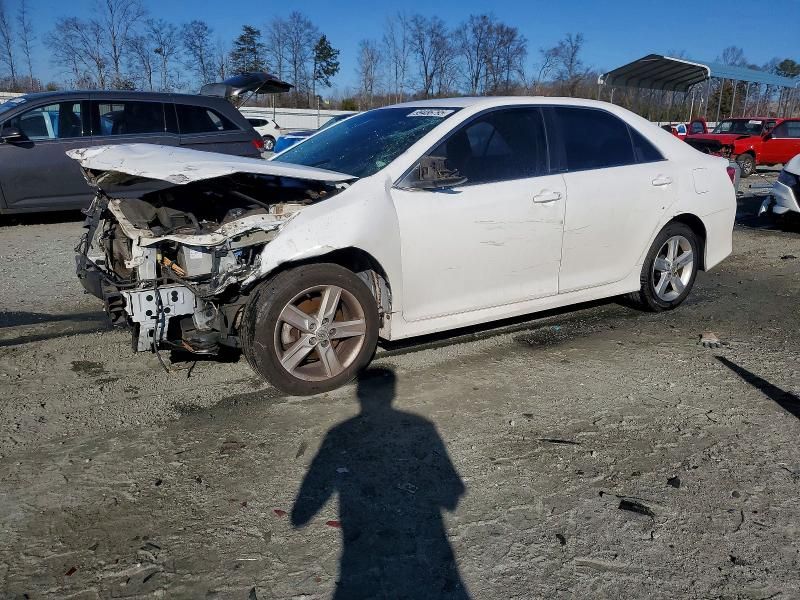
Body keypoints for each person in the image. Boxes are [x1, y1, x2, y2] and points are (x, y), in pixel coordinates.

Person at [292, 368, 470, 599]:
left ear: (359, 395)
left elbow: (302, 512)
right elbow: (451, 496)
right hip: (417, 555)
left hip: (363, 558)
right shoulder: (421, 426)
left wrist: (302, 514)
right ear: (393, 394)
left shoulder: (339, 434)